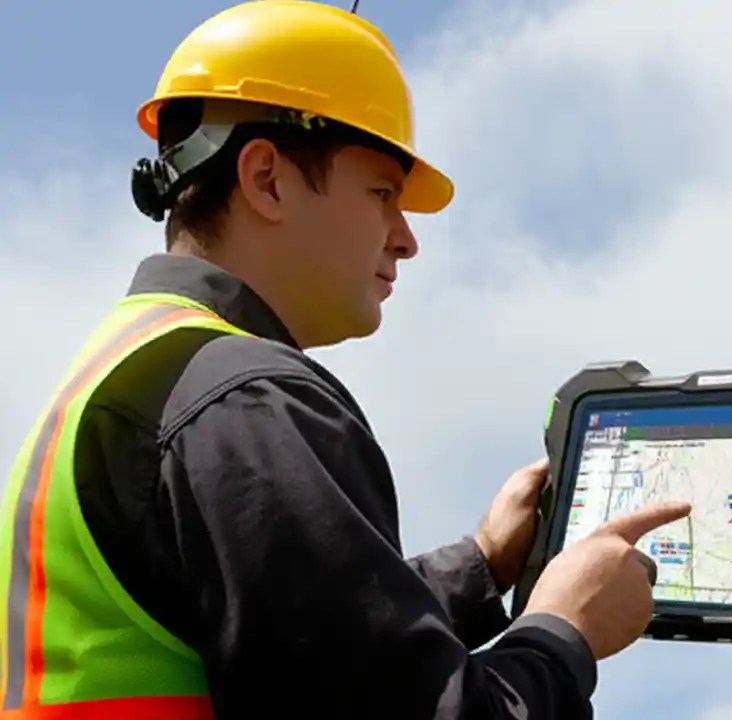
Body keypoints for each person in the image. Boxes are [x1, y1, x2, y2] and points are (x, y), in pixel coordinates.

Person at [0, 2, 690, 718]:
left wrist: (482, 565)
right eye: (383, 193)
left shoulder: (132, 372)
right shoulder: (245, 399)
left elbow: (295, 651)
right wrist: (564, 631)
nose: (406, 238)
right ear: (267, 178)